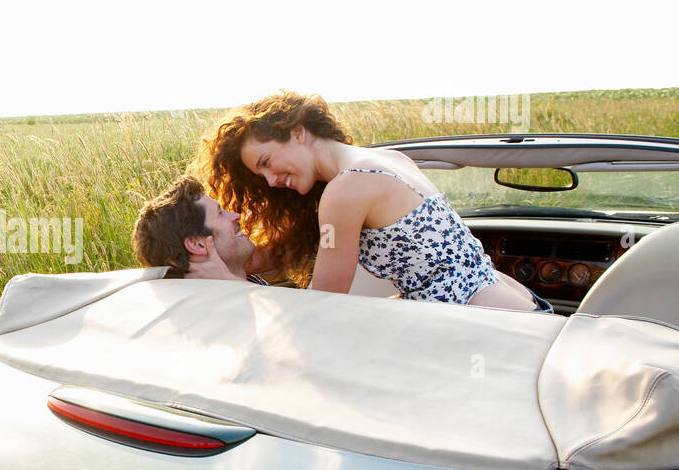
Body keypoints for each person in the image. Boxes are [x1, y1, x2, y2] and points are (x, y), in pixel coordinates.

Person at [192, 91, 555, 312]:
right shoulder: (389, 160)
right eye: (261, 177)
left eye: (267, 162)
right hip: (514, 307)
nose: (271, 181)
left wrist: (232, 286)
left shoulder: (347, 190)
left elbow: (321, 304)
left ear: (298, 132)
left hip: (495, 325)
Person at [131, 175, 281, 284]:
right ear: (198, 244)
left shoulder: (244, 283)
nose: (236, 215)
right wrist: (233, 284)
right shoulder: (212, 311)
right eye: (220, 213)